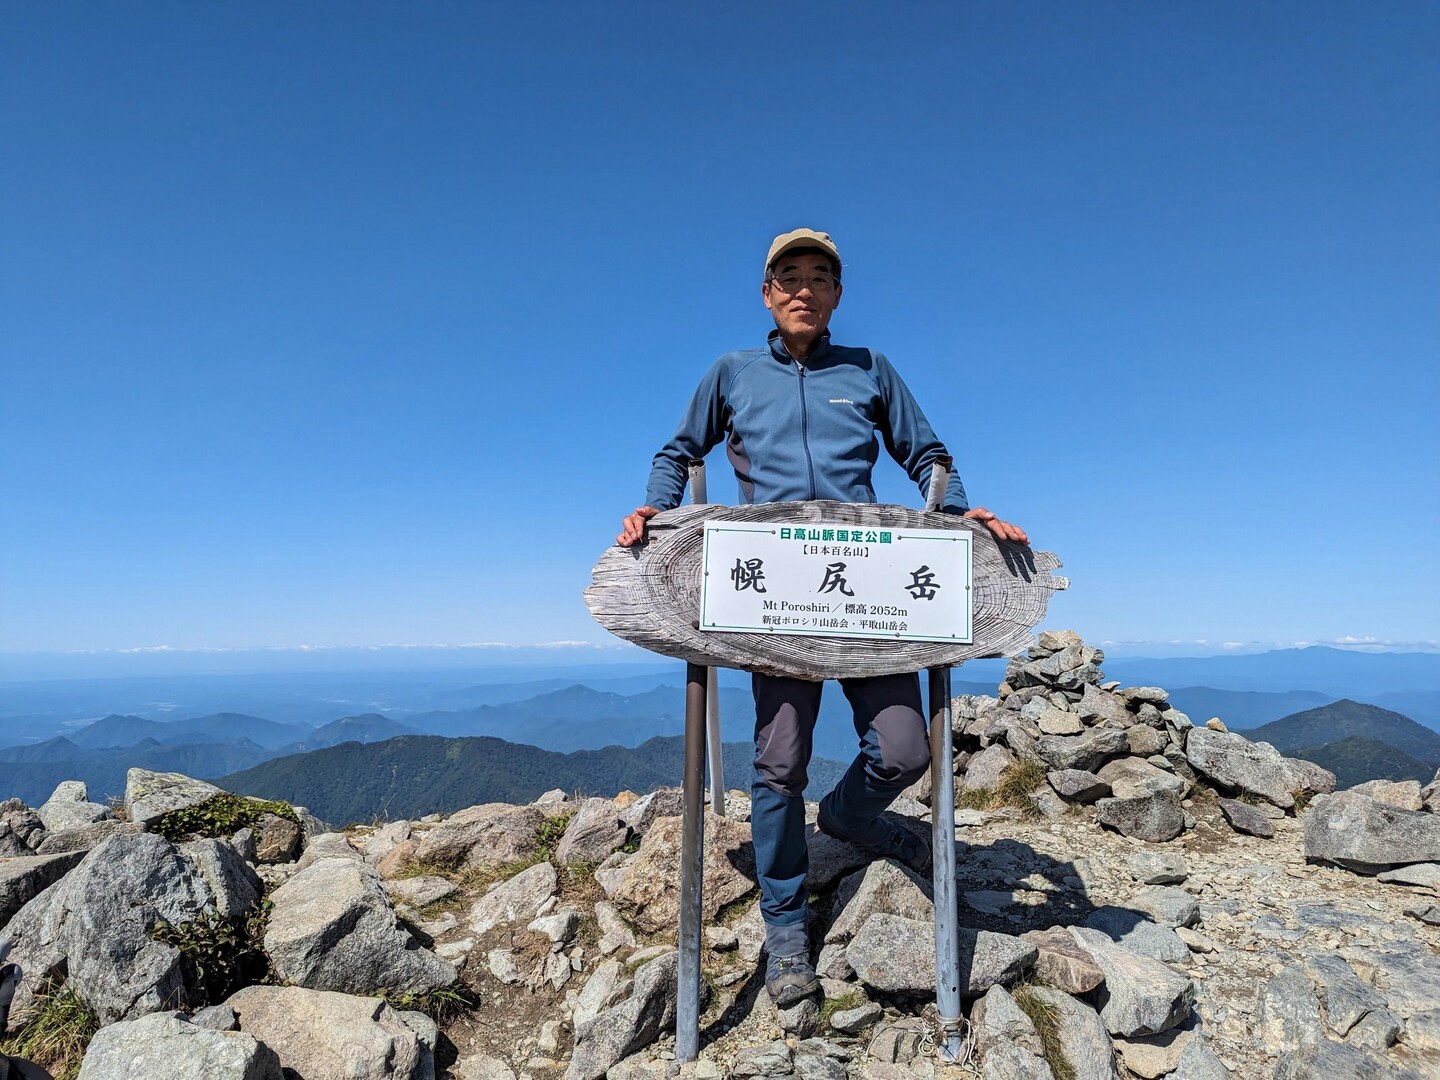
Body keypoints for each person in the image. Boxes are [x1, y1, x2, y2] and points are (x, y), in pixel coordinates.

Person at [616, 228, 1028, 1006]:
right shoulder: (733, 372)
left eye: (819, 277)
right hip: (774, 596)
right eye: (789, 277)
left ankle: (847, 817)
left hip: (868, 589)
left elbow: (928, 456)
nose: (803, 289)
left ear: (837, 294)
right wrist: (657, 514)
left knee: (903, 750)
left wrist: (961, 515)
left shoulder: (869, 369)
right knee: (779, 764)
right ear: (767, 293)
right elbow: (678, 452)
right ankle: (785, 932)